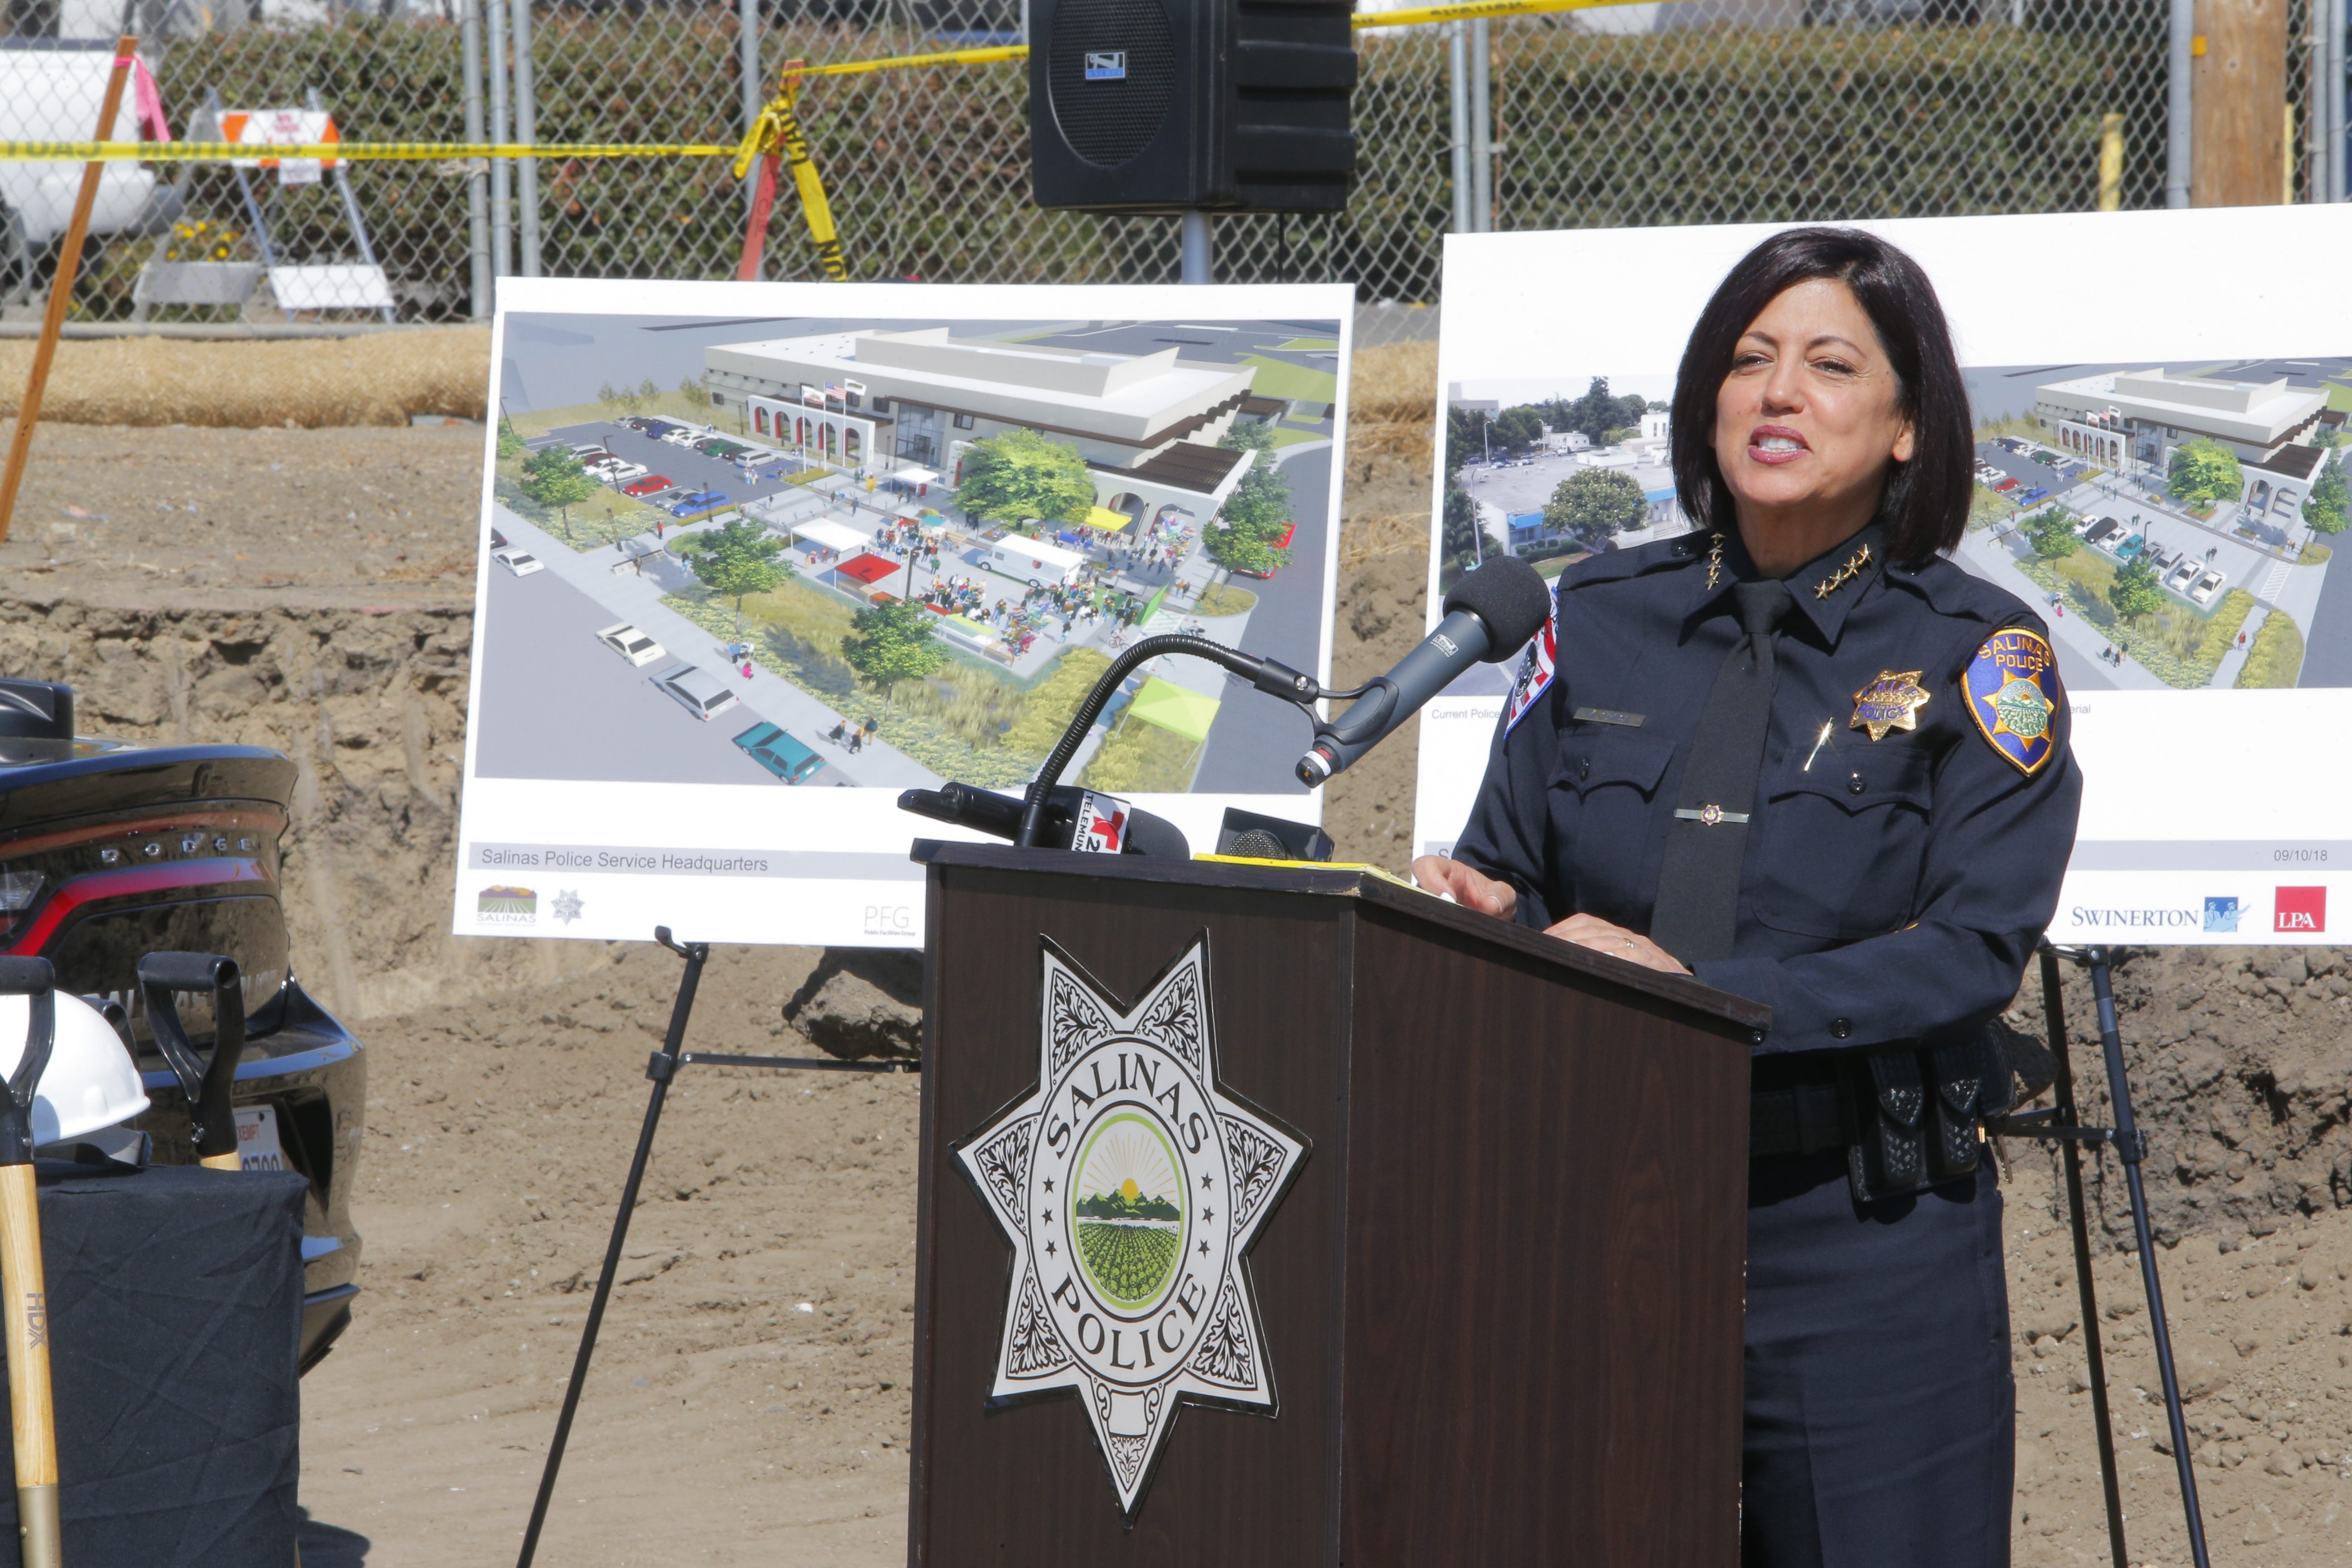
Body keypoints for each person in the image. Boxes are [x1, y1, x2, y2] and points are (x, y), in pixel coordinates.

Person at [1414, 228, 2080, 1568]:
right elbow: (1515, 867)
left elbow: (1969, 953)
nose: (1777, 393)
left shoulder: (1977, 656)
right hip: (1588, 1217)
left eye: (1830, 365)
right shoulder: (1593, 615)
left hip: (1857, 1241)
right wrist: (1481, 917)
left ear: (1907, 426)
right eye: (1749, 360)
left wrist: (1705, 1006)